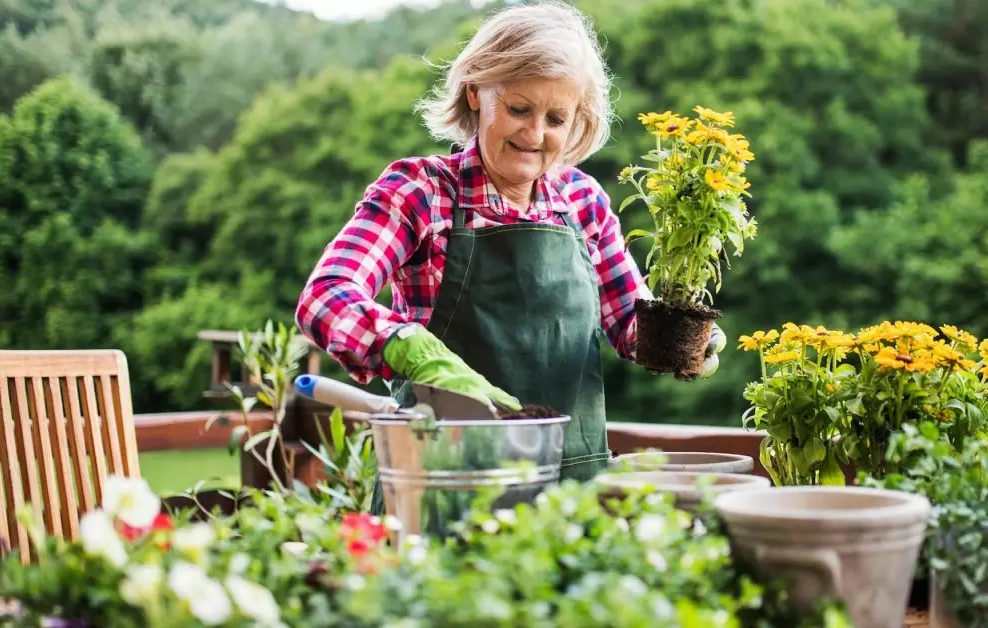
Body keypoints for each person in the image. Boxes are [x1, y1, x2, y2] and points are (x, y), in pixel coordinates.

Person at [295, 1, 725, 491]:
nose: (535, 133)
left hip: (571, 487)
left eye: (556, 118)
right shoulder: (420, 192)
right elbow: (325, 298)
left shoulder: (583, 202)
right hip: (445, 482)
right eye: (519, 109)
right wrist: (409, 346)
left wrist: (686, 339)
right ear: (476, 91)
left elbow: (629, 324)